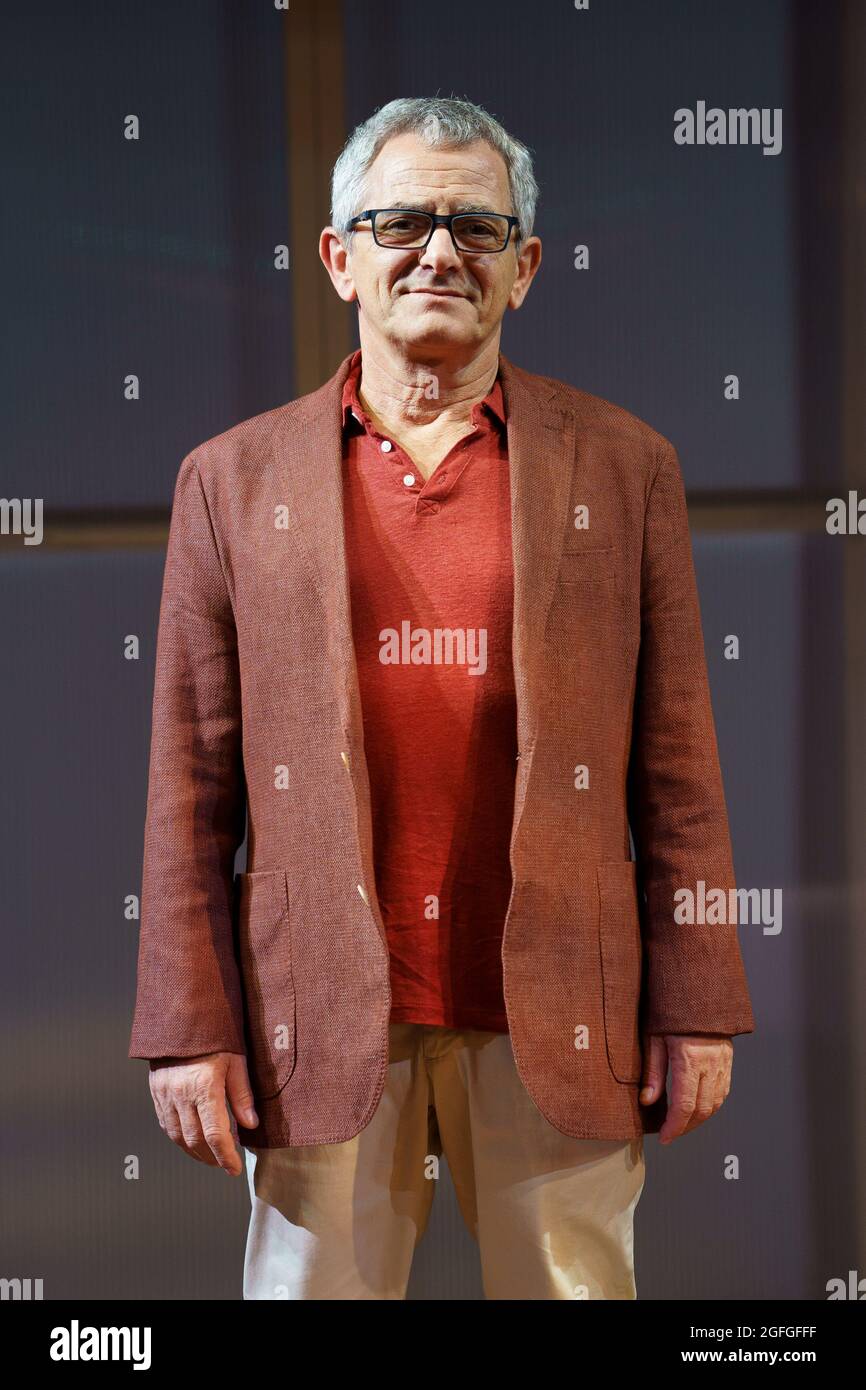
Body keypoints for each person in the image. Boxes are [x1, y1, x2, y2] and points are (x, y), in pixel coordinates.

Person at [130, 96, 755, 1300]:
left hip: (556, 1010)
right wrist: (187, 1026)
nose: (437, 251)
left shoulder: (623, 467)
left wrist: (698, 1004)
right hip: (314, 1013)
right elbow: (186, 782)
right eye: (401, 220)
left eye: (476, 226)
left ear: (521, 269)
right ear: (338, 257)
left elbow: (676, 761)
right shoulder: (229, 480)